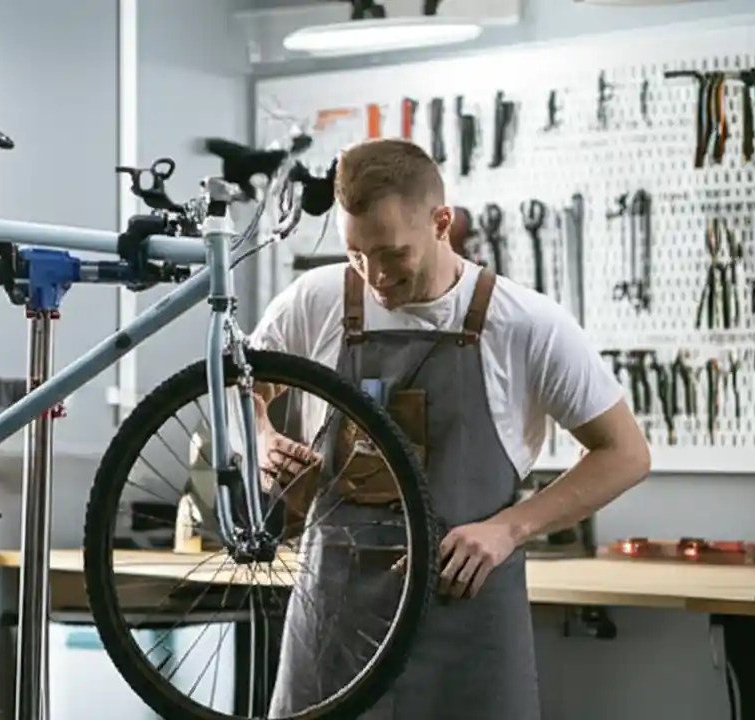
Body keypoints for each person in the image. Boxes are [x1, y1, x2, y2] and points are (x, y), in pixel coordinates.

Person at [249, 137, 652, 719]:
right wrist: (259, 432)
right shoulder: (319, 299)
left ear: (442, 222)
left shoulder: (525, 324)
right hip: (334, 614)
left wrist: (510, 528)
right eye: (357, 254)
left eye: (391, 254)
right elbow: (240, 381)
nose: (374, 276)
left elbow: (626, 454)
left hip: (463, 613)